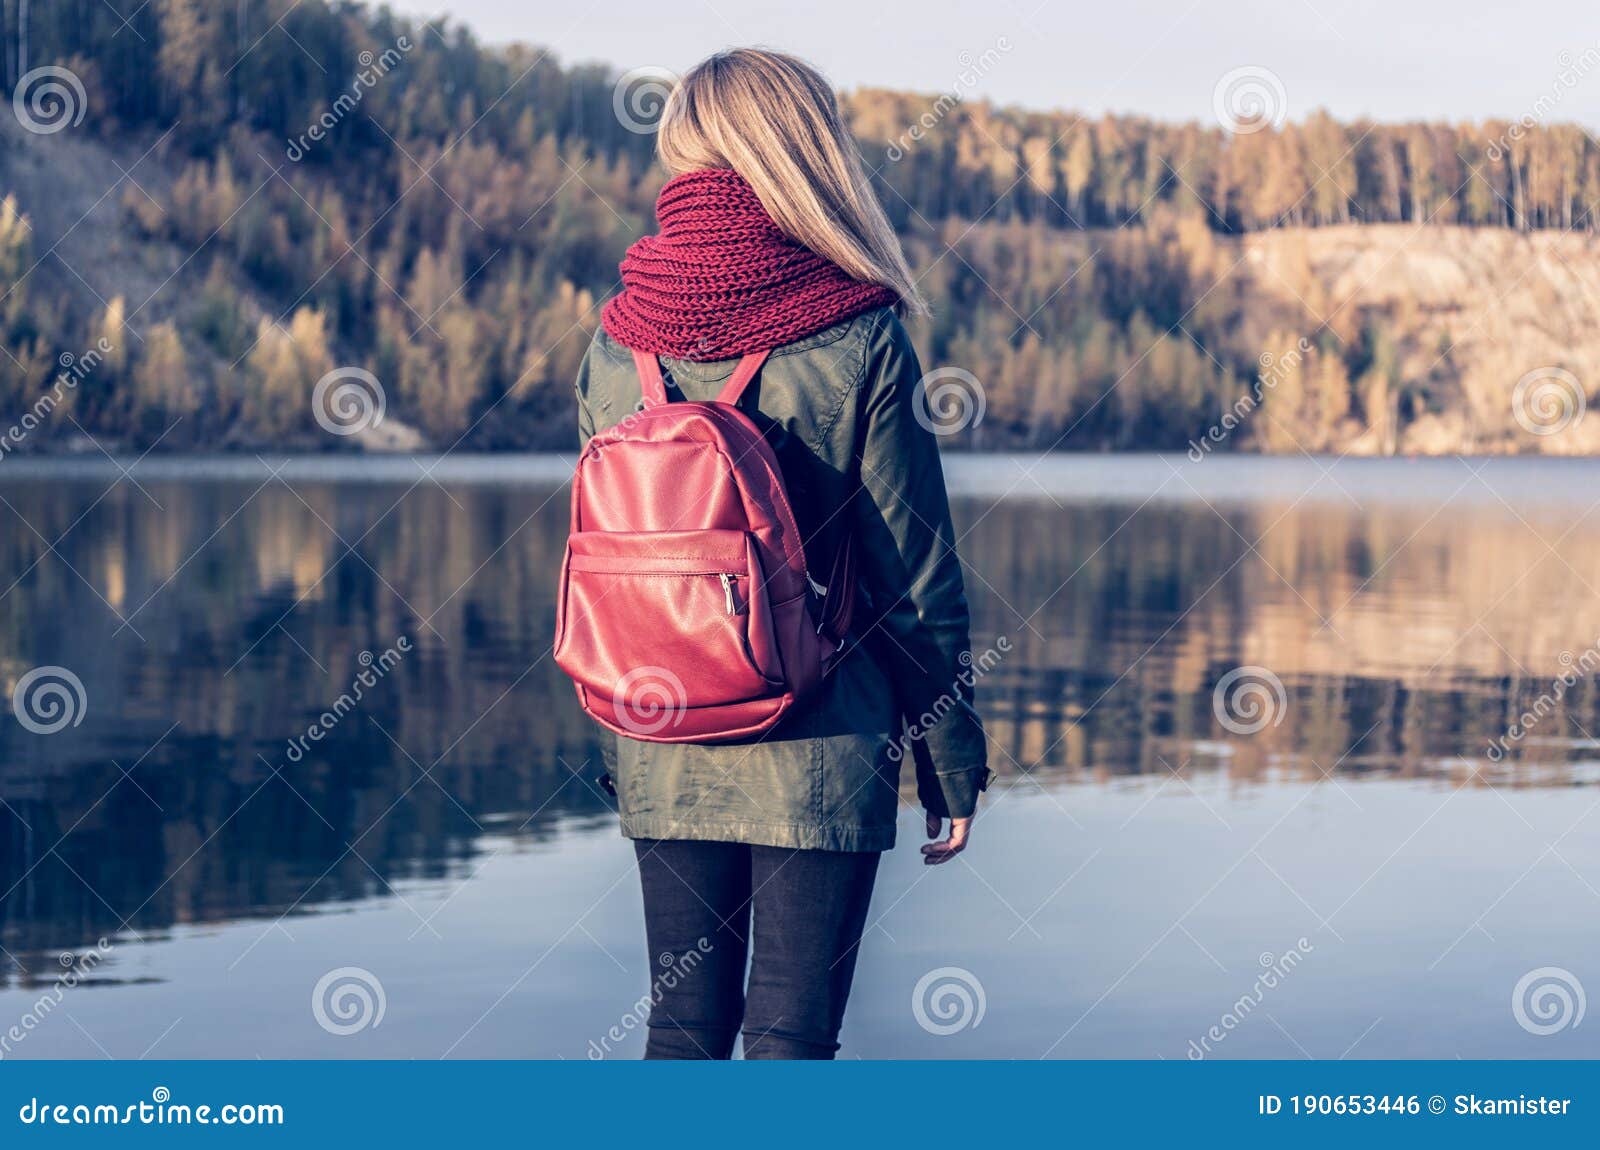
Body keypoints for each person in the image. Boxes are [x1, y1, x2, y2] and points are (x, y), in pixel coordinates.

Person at [573, 47, 990, 1060]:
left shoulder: (617, 336)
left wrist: (614, 743)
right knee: (791, 1040)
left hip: (659, 723)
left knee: (678, 1032)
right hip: (821, 736)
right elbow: (910, 579)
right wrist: (950, 759)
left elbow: (607, 560)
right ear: (806, 152)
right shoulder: (859, 331)